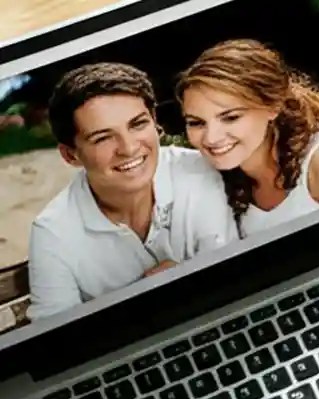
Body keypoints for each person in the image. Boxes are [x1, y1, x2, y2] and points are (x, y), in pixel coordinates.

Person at [27, 63, 239, 320]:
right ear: (70, 155)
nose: (128, 148)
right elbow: (55, 342)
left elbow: (230, 283)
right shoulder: (53, 233)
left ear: (154, 121)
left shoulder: (198, 172)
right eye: (103, 137)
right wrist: (147, 297)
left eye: (137, 125)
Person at [175, 39, 319, 238]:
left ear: (273, 107)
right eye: (196, 123)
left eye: (231, 117)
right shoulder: (214, 181)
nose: (211, 138)